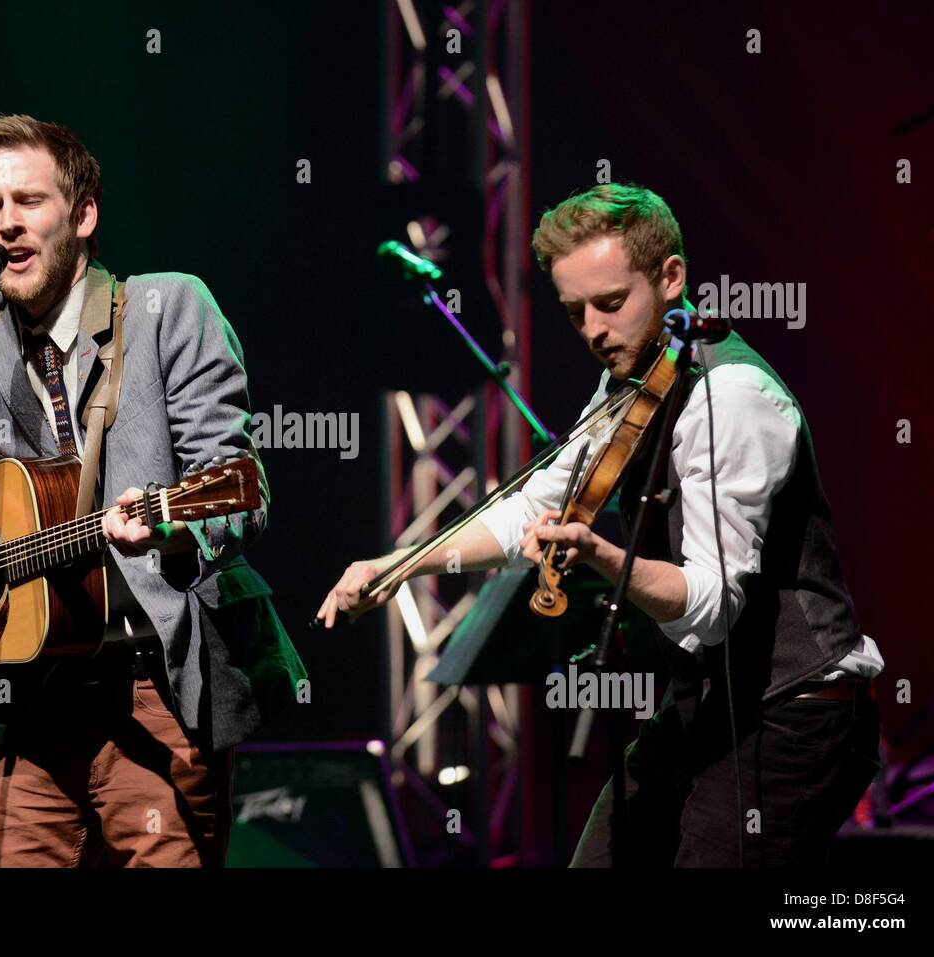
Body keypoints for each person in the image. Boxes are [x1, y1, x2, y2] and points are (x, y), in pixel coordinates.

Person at [318, 183, 883, 867]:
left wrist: (600, 554)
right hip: (707, 701)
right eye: (574, 310)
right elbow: (533, 506)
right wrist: (399, 564)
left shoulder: (731, 396)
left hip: (796, 711)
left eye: (611, 304)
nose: (592, 329)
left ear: (671, 277)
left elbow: (712, 609)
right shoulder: (635, 378)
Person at [0, 114, 305, 867]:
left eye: (29, 201)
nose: (7, 222)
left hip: (155, 687)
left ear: (83, 215)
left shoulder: (168, 310)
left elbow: (239, 493)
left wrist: (169, 525)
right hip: (39, 696)